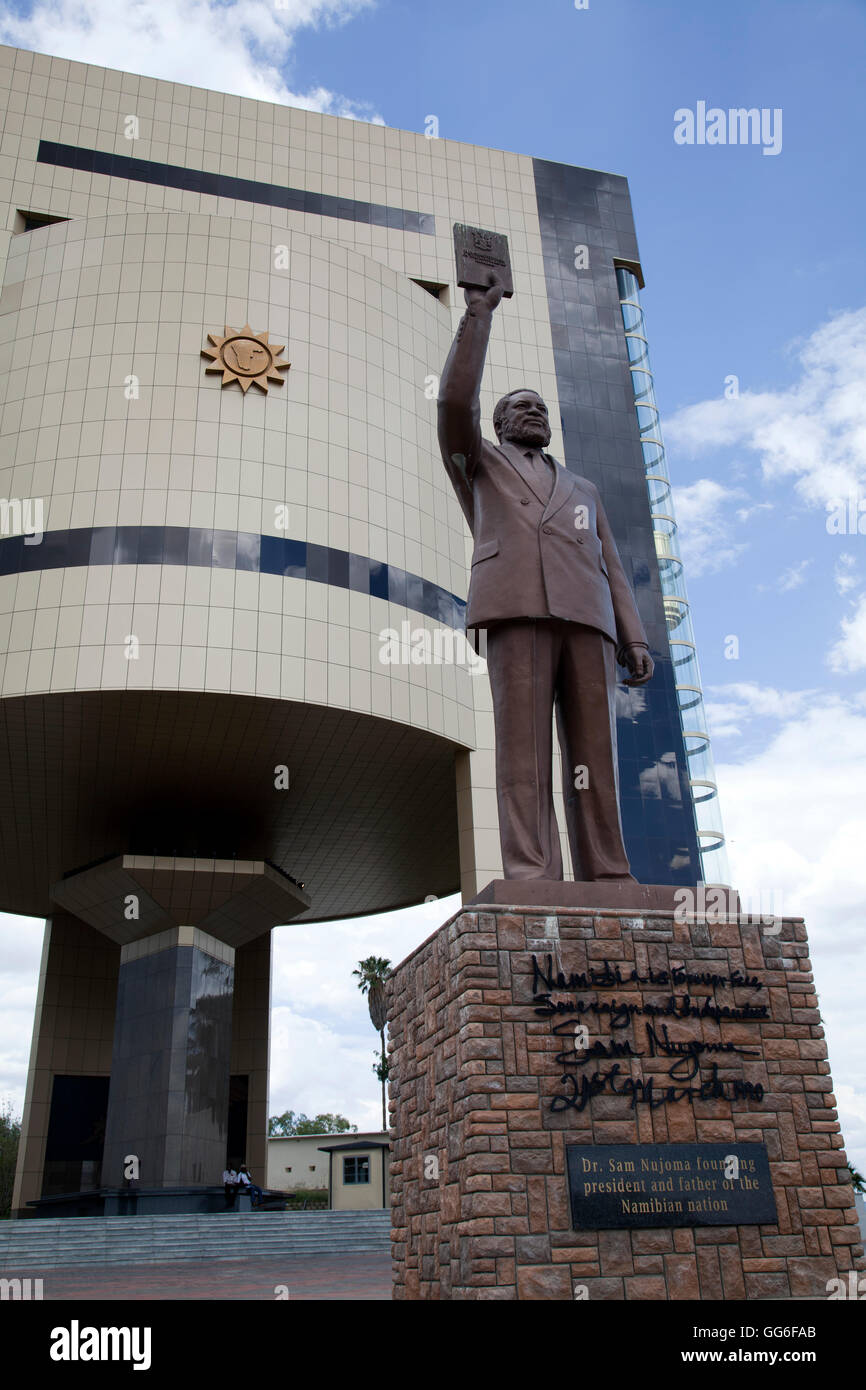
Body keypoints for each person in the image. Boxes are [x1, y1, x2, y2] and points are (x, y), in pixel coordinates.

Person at [438, 273, 653, 882]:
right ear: (500, 423)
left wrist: (633, 637)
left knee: (595, 757)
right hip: (516, 612)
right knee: (523, 752)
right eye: (520, 407)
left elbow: (612, 563)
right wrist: (480, 312)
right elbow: (454, 404)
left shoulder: (583, 488)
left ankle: (609, 872)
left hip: (589, 621)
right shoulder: (478, 464)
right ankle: (531, 871)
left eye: (541, 408)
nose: (534, 412)